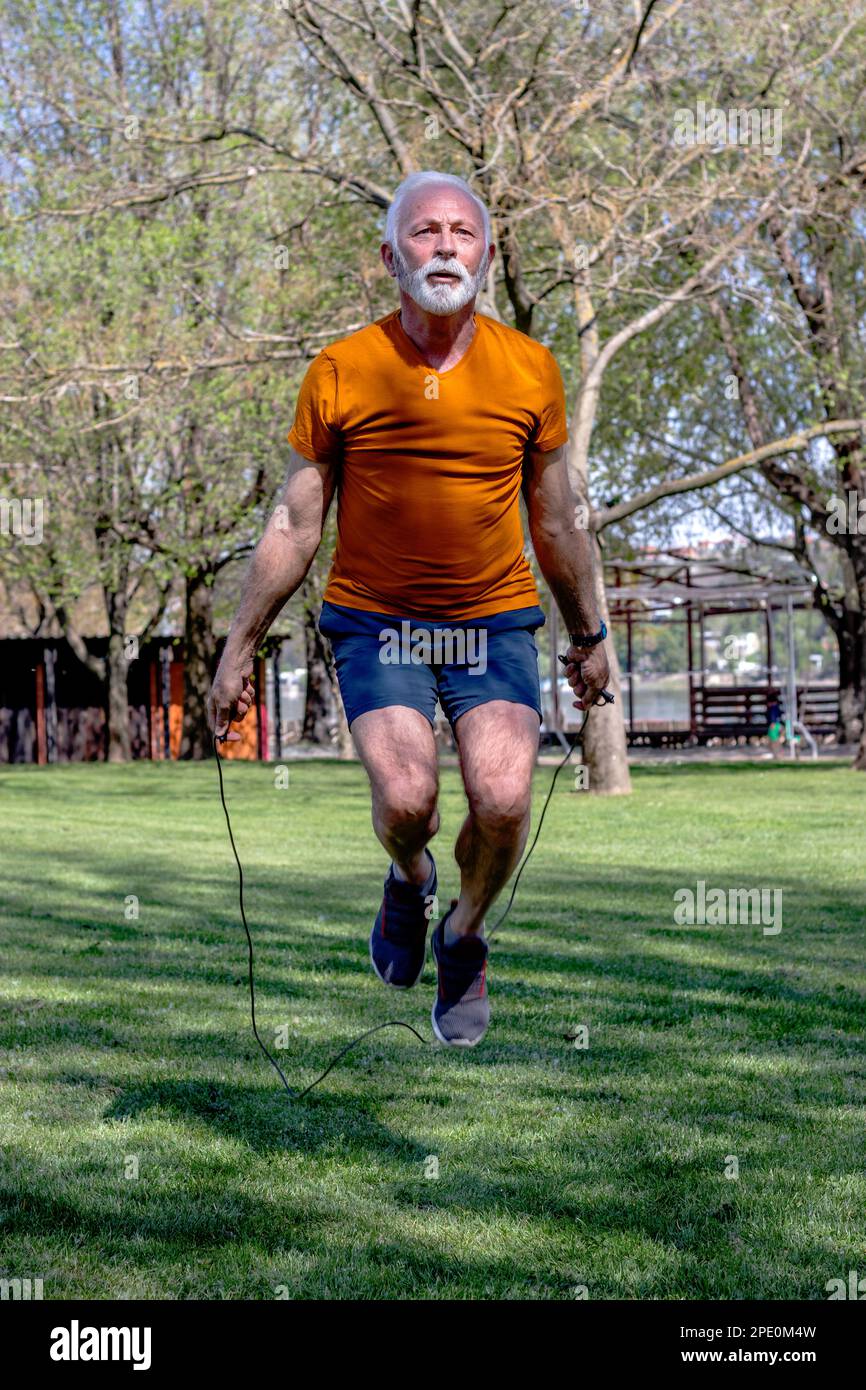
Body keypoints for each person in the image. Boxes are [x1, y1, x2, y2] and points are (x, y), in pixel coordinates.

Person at [208, 170, 611, 1047]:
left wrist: (590, 637)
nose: (444, 247)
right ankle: (409, 878)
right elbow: (293, 519)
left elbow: (556, 519)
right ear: (390, 255)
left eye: (462, 234)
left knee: (503, 802)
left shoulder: (529, 369)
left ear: (489, 256)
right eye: (424, 233)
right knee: (406, 802)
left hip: (493, 620)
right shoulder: (343, 370)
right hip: (377, 620)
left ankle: (463, 935)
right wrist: (240, 644)